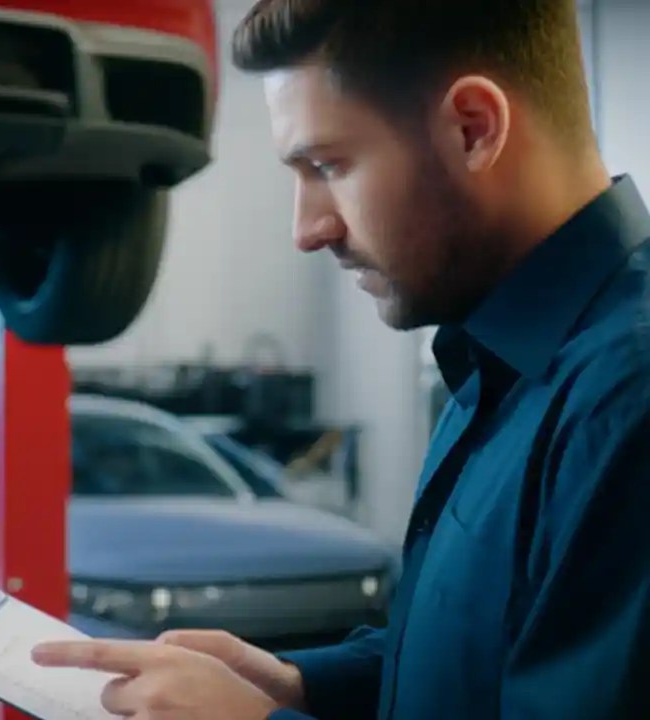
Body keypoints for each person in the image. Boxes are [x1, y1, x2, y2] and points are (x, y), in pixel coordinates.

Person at [33, 0, 650, 718]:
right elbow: (478, 659)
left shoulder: (625, 400)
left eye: (327, 165)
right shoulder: (496, 366)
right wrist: (296, 684)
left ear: (473, 129)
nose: (307, 229)